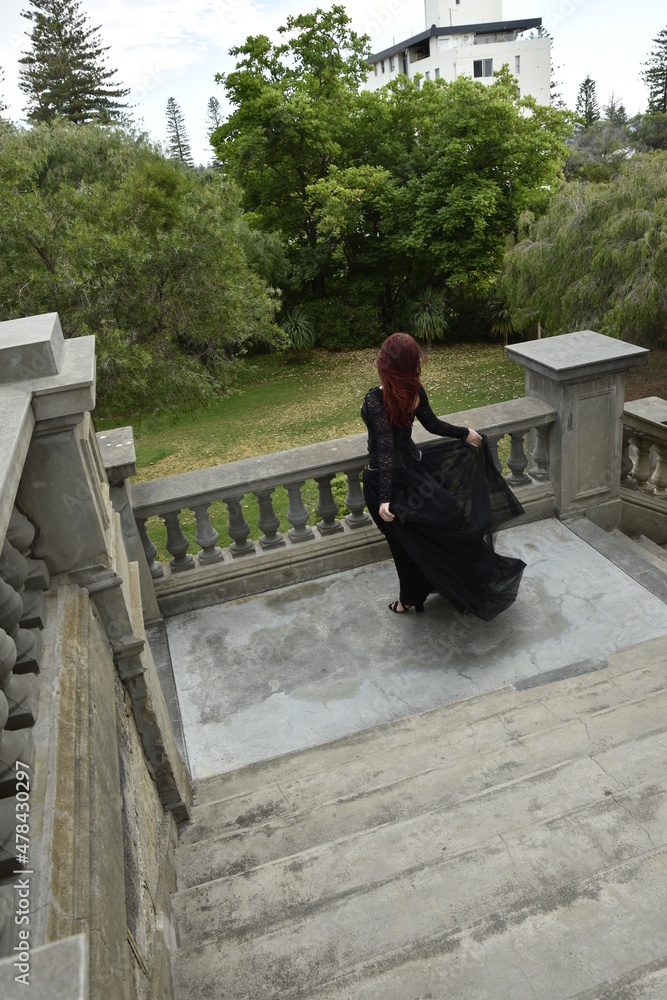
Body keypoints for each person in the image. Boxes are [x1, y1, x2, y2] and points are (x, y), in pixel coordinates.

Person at [361, 332, 526, 621]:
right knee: (420, 538)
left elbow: (386, 450)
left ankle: (410, 598)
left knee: (402, 543)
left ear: (385, 364)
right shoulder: (414, 391)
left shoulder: (376, 399)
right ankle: (424, 589)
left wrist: (384, 498)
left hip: (386, 483)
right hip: (414, 472)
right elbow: (432, 424)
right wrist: (464, 433)